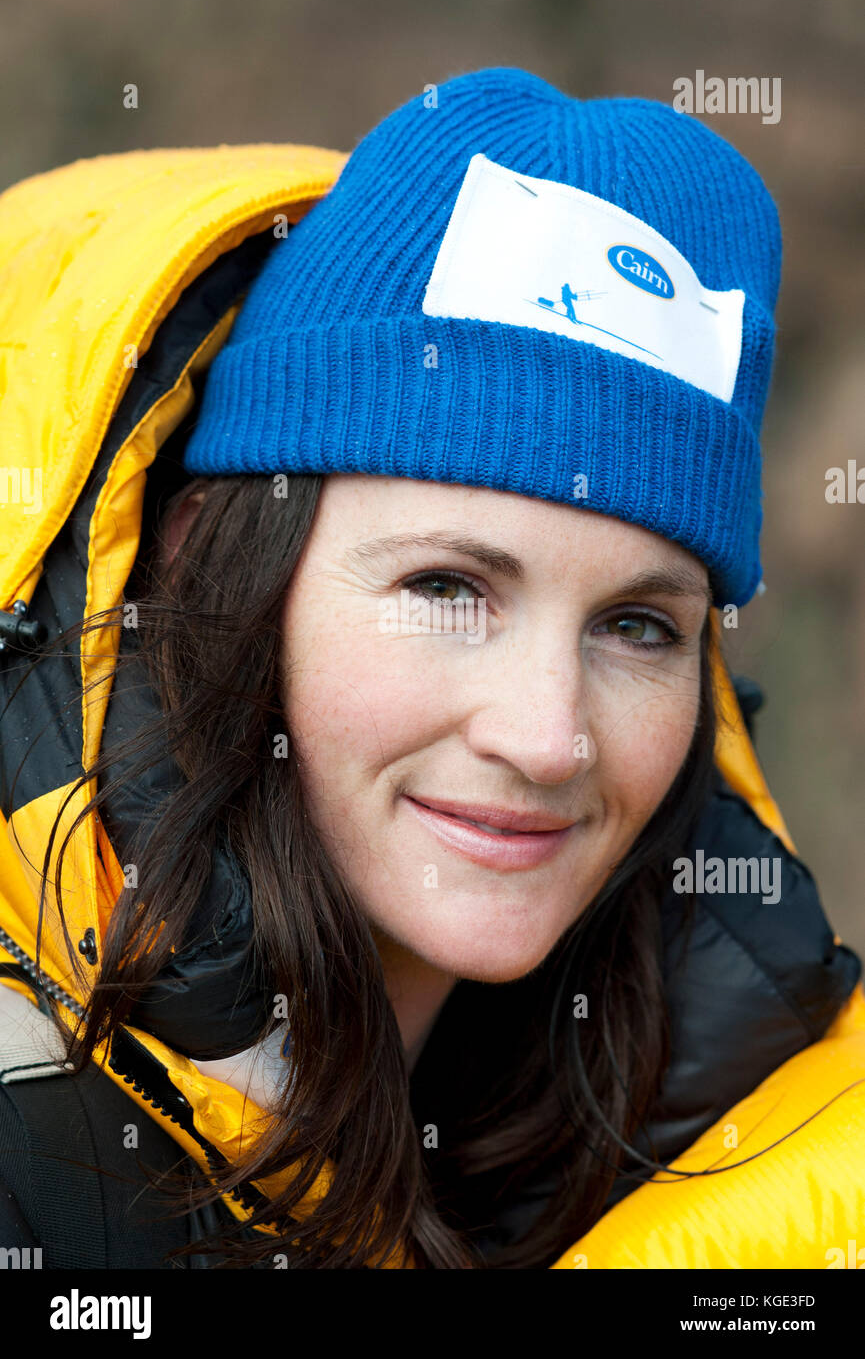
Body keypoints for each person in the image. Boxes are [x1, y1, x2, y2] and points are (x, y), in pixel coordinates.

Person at [0, 67, 863, 1271]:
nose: (547, 734)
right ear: (212, 560)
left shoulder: (760, 1153)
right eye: (448, 589)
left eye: (636, 627)